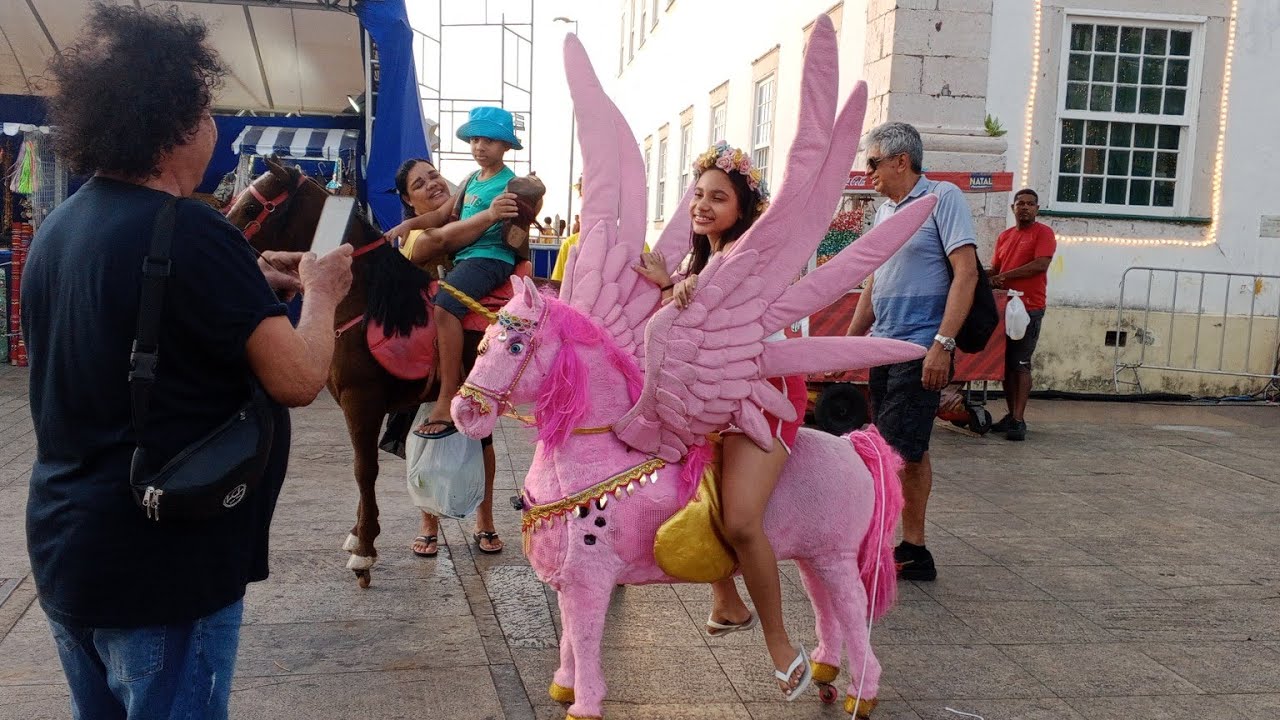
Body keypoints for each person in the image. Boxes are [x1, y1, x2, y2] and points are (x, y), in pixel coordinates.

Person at [21, 5, 353, 718]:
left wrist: (246, 282)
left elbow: (128, 320)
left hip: (67, 543)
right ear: (174, 124)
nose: (212, 129)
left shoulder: (61, 227)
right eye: (206, 113)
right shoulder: (194, 232)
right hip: (162, 562)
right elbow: (298, 379)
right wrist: (322, 292)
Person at [634, 143, 812, 699]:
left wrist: (691, 293)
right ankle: (726, 601)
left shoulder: (751, 259)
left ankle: (781, 642)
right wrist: (670, 284)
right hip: (710, 398)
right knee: (683, 488)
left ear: (744, 208)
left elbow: (722, 317)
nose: (703, 205)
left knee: (738, 520)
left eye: (719, 197)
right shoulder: (697, 261)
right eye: (699, 196)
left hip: (764, 396)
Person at [846, 122, 979, 582]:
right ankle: (914, 549)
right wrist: (847, 345)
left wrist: (941, 346)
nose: (869, 173)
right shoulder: (885, 213)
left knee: (889, 451)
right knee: (909, 451)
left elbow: (966, 273)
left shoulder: (942, 199)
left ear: (901, 161)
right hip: (886, 347)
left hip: (920, 347)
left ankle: (878, 548)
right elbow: (873, 284)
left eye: (873, 163)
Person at [383, 156, 516, 557]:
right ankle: (428, 521)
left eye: (434, 175)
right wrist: (491, 214)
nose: (432, 184)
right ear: (409, 201)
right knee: (426, 430)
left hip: (467, 351)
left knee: (482, 434)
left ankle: (485, 519)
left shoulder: (470, 214)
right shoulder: (412, 239)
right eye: (420, 184)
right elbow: (441, 241)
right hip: (421, 355)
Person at [988, 189, 1055, 441]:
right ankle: (1011, 415)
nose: (1025, 207)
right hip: (1006, 306)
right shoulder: (1005, 236)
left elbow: (1041, 264)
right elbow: (996, 268)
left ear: (1037, 209)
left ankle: (1018, 418)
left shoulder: (1043, 233)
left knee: (1021, 362)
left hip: (1029, 306)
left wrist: (1003, 277)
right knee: (1006, 364)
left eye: (1030, 204)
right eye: (1020, 204)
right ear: (1012, 208)